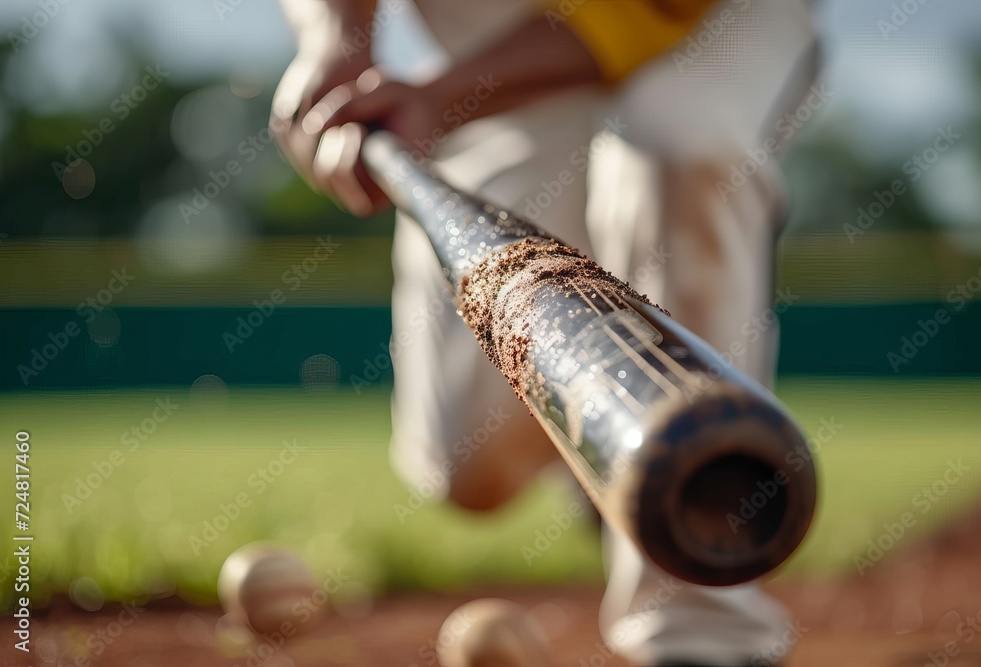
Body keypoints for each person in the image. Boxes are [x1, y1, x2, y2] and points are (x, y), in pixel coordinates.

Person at [271, 1, 820, 664]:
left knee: (680, 146)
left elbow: (642, 17)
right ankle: (606, 460)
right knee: (465, 467)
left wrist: (438, 97)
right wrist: (337, 41)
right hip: (491, 37)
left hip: (710, 26)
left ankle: (701, 625)